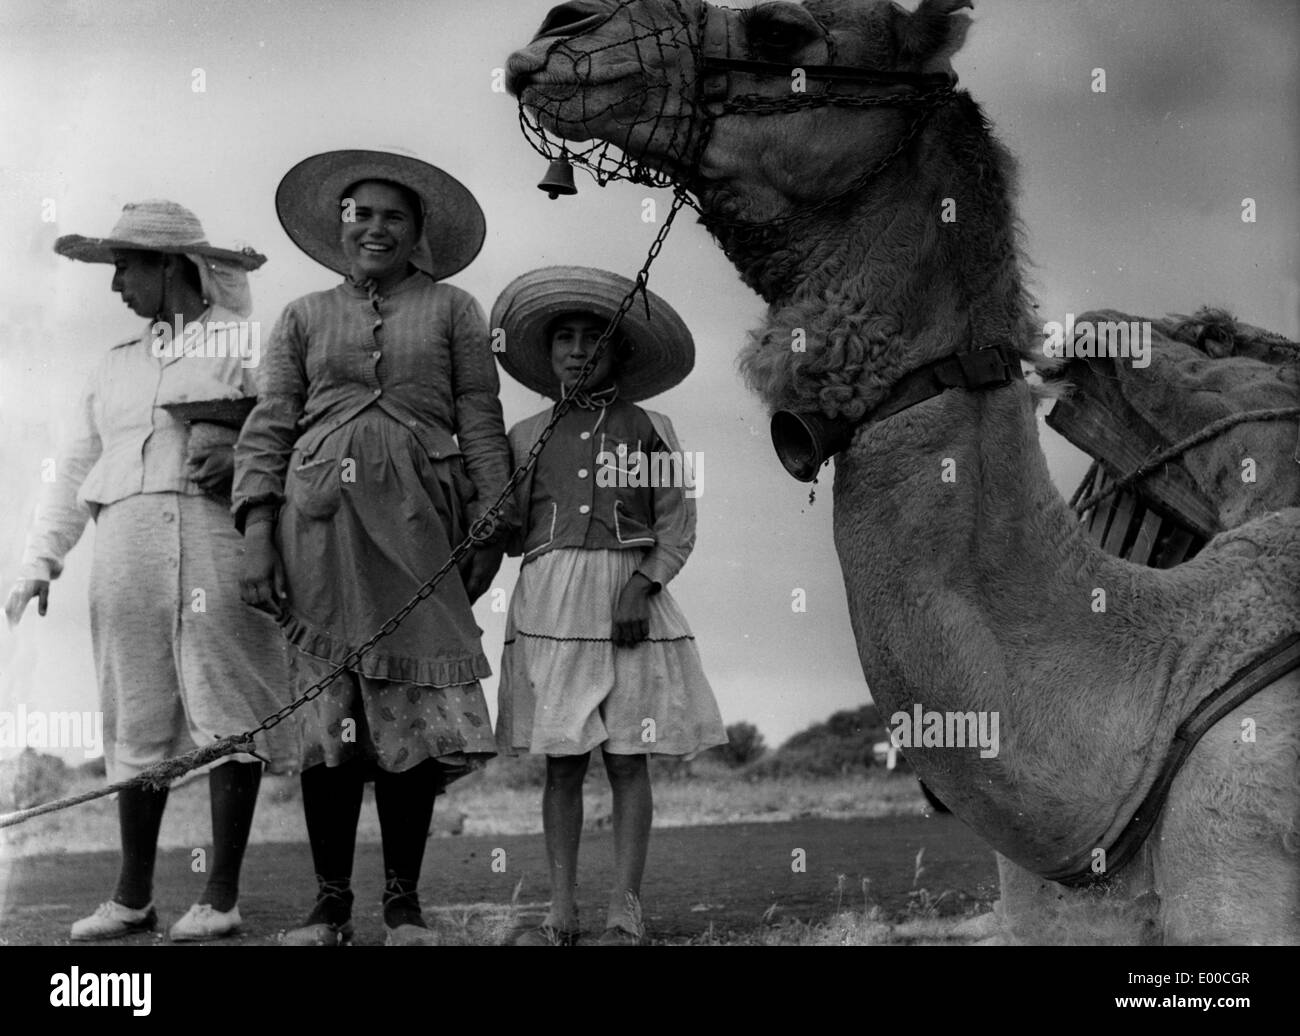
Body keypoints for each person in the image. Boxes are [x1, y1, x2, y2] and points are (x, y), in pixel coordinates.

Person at [234, 150, 512, 946]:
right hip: (316, 531)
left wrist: (491, 523)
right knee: (331, 722)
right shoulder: (300, 317)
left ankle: (403, 905)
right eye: (361, 214)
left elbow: (481, 419)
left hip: (425, 528)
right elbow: (269, 427)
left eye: (394, 215)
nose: (376, 228)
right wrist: (257, 532)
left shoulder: (456, 309)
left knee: (408, 722)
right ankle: (328, 905)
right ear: (339, 226)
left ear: (419, 231)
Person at [4, 199, 297, 942]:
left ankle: (221, 896)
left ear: (172, 267)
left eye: (127, 268)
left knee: (232, 704)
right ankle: (132, 896)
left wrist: (242, 469)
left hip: (216, 535)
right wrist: (40, 561)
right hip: (125, 542)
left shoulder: (243, 346)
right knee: (134, 715)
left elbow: (288, 437)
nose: (116, 287)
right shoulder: (113, 367)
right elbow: (71, 469)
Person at [491, 266, 727, 945]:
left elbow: (678, 524)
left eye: (592, 337)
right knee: (563, 759)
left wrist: (641, 583)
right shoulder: (526, 433)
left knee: (629, 757)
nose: (576, 350)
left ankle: (625, 906)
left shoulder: (653, 428)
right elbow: (510, 533)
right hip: (550, 604)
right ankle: (560, 908)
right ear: (548, 352)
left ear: (619, 351)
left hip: (631, 602)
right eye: (563, 337)